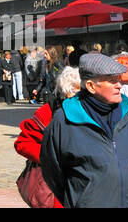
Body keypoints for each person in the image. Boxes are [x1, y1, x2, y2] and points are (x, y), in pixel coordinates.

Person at [39, 53, 128, 208]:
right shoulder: (64, 121)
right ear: (91, 86)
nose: (119, 85)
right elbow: (53, 172)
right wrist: (82, 199)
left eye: (119, 79)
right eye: (112, 80)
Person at [14, 65, 82, 207]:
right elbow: (22, 143)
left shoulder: (93, 109)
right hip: (56, 187)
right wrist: (51, 157)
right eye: (75, 92)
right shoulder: (48, 112)